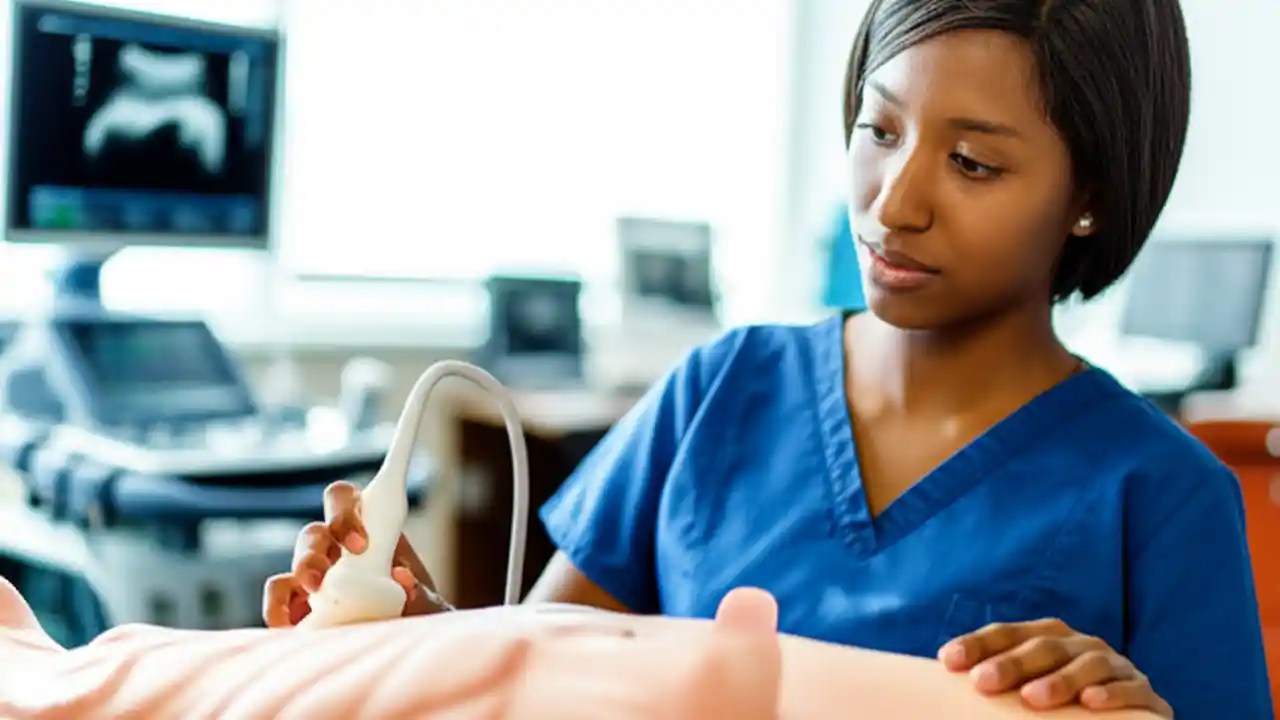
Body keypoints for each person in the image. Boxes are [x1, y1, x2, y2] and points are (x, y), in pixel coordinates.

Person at [265, 0, 1273, 717]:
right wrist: (403, 620)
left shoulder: (1162, 492)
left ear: (1089, 195)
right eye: (879, 128)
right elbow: (542, 669)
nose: (893, 200)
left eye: (971, 163)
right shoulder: (722, 388)